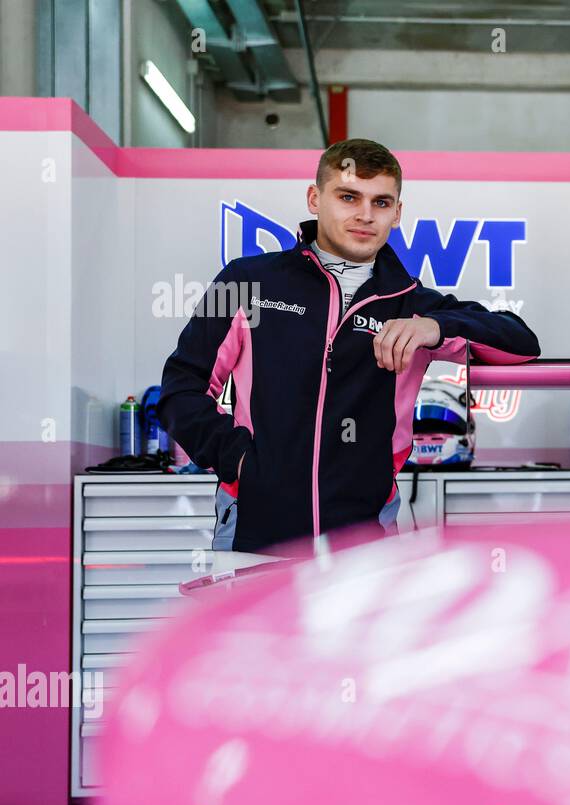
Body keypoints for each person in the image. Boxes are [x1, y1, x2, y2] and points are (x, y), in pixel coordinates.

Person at [159, 138, 541, 553]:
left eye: (381, 202)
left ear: (397, 214)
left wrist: (435, 327)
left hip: (366, 537)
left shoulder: (413, 303)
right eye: (348, 196)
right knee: (252, 623)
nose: (364, 214)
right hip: (254, 528)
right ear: (314, 198)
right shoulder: (243, 280)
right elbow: (182, 385)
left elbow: (521, 341)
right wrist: (240, 462)